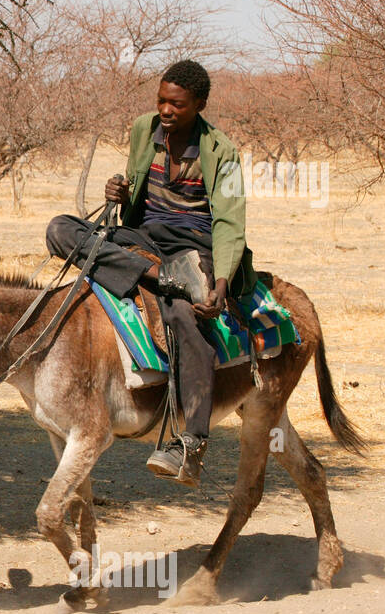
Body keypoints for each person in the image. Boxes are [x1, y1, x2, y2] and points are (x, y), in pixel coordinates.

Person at [45, 59, 255, 487]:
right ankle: (153, 278)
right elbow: (135, 195)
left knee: (182, 318)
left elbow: (230, 223)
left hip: (192, 249)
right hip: (141, 241)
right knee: (60, 229)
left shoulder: (222, 152)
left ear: (198, 104)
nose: (165, 110)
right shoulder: (144, 130)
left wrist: (218, 284)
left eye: (176, 104)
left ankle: (191, 444)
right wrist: (117, 193)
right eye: (161, 100)